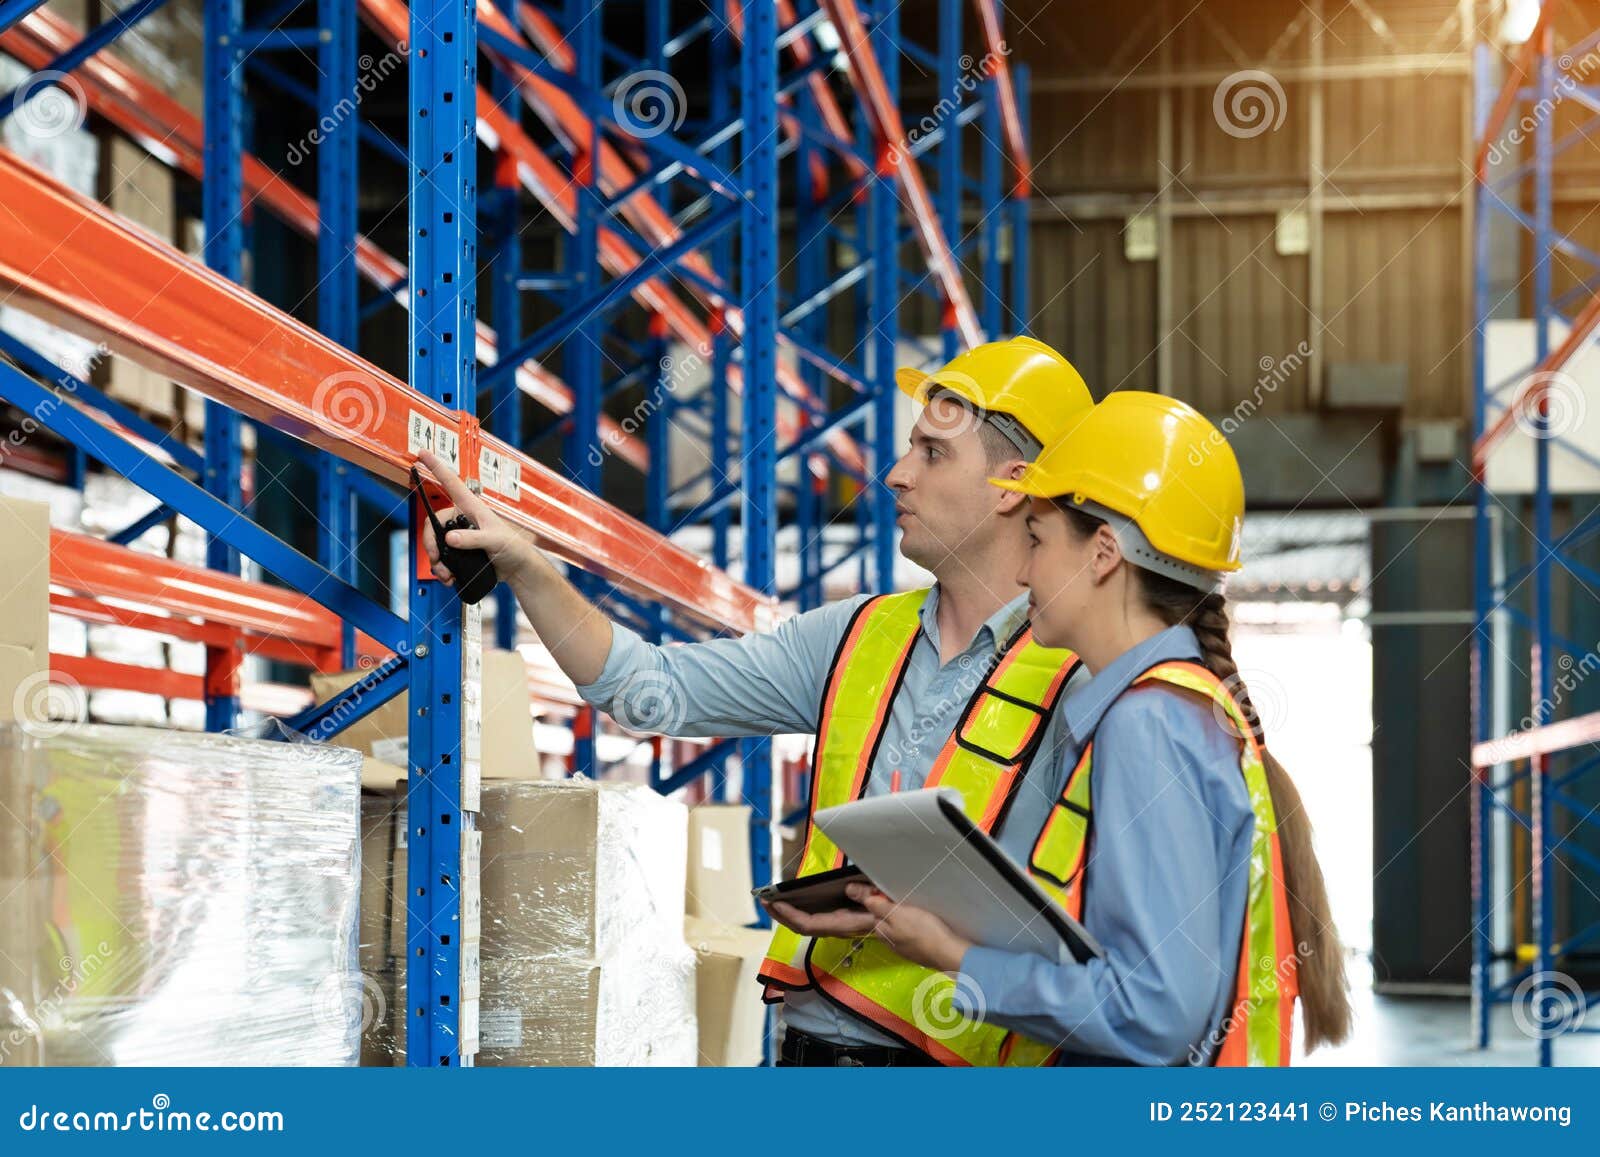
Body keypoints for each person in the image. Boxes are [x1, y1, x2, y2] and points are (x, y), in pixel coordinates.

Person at [416, 336, 1097, 1066]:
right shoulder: (857, 635)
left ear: (1012, 487)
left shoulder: (1083, 674)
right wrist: (527, 566)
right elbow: (650, 689)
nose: (896, 475)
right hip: (814, 1051)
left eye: (933, 453)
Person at [818, 390, 1353, 1065]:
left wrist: (955, 955)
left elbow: (1155, 1011)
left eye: (1036, 540)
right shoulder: (1175, 707)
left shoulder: (1149, 722)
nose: (1020, 569)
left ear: (1103, 552)